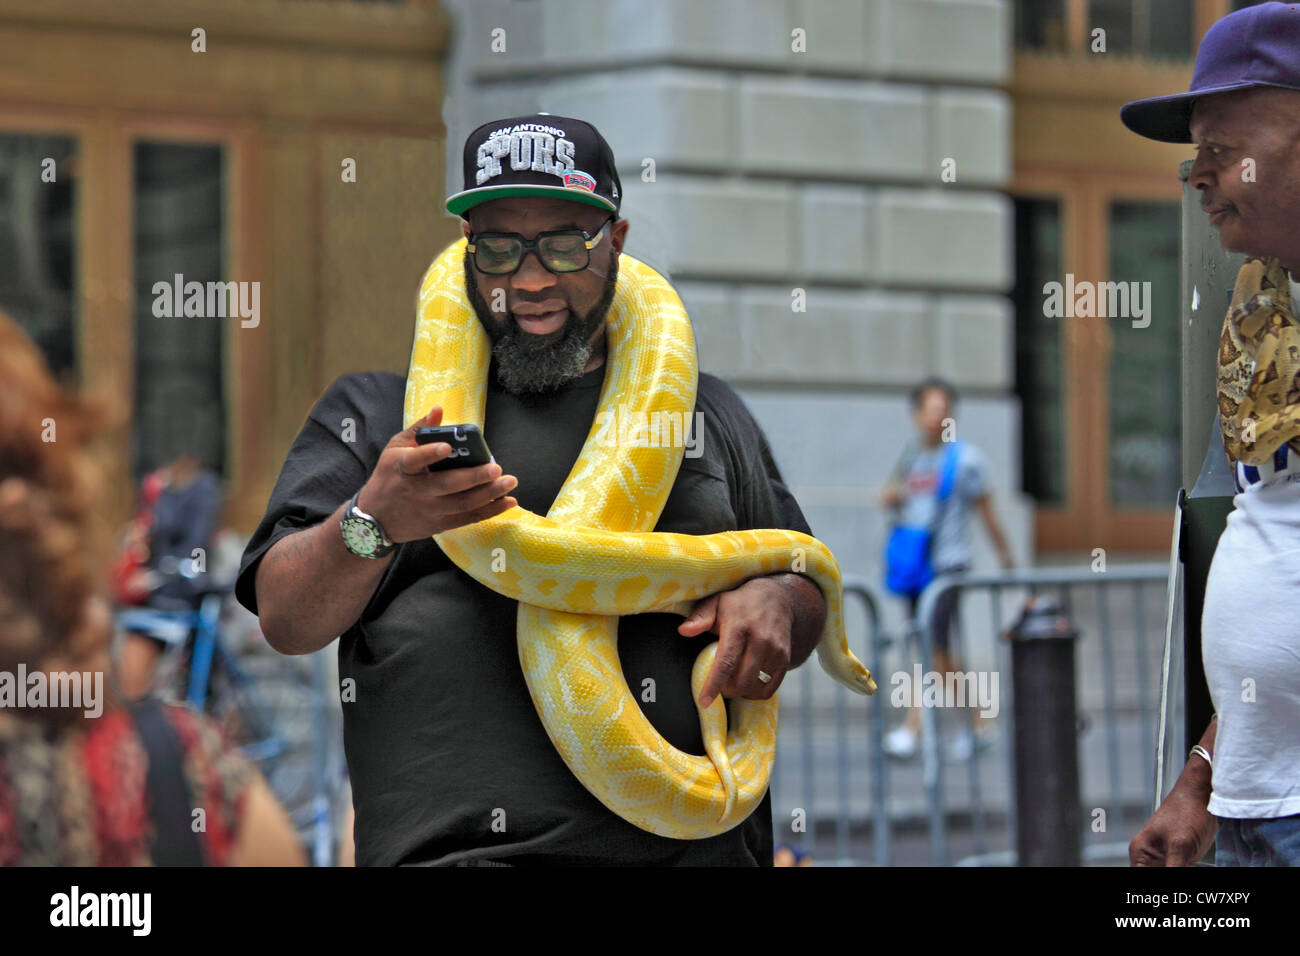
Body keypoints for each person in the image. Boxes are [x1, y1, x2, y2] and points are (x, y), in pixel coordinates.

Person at [237, 114, 829, 866]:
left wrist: (778, 600)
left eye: (564, 242)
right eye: (499, 246)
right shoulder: (382, 418)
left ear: (615, 242)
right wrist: (374, 520)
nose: (531, 278)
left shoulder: (702, 416)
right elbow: (287, 619)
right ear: (465, 252)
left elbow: (803, 581)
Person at [0, 311, 305, 866]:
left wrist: (157, 575)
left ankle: (143, 700)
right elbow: (147, 538)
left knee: (138, 648)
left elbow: (191, 548)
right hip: (154, 592)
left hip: (180, 591)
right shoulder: (159, 489)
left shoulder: (203, 492)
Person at [1124, 2, 1300, 867]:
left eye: (1224, 145)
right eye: (1198, 151)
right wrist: (1200, 779)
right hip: (1253, 805)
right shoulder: (1261, 312)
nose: (1198, 175)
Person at [880, 377, 1013, 761]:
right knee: (932, 650)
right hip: (916, 569)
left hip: (948, 568)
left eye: (943, 409)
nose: (936, 417)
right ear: (915, 414)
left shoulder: (966, 460)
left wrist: (1006, 558)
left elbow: (988, 513)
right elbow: (901, 500)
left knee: (931, 648)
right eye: (929, 408)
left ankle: (913, 729)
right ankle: (978, 724)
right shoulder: (912, 458)